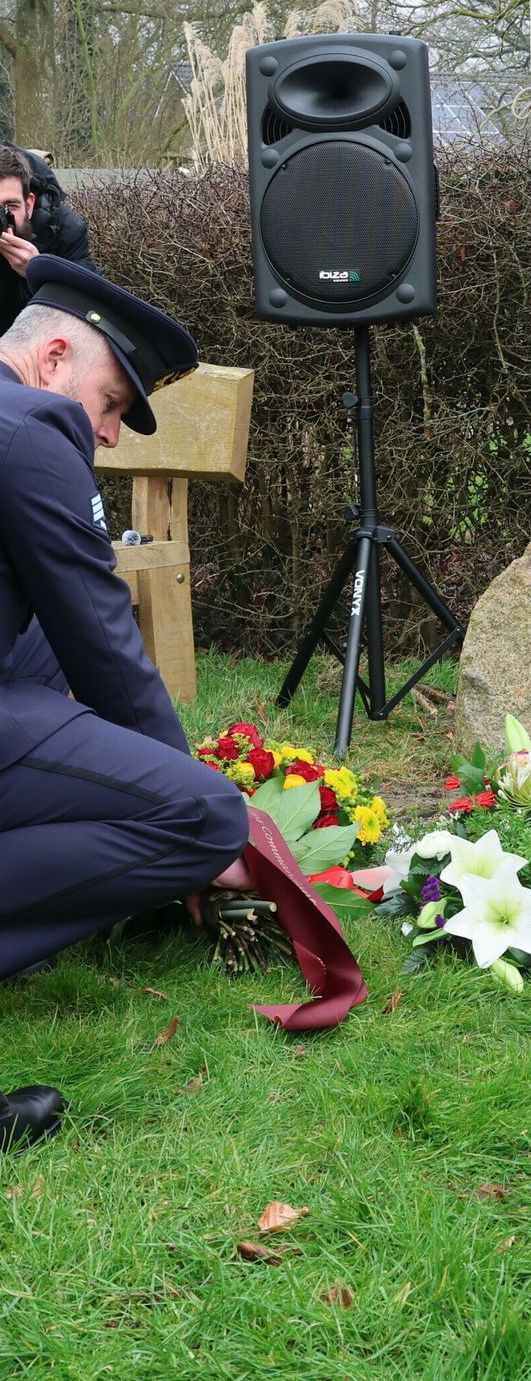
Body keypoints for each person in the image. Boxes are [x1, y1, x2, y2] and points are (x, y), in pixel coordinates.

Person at [0, 255, 252, 1151]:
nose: (109, 436)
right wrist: (197, 801)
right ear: (56, 354)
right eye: (110, 404)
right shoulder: (29, 428)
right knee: (204, 820)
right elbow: (102, 637)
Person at [0, 145, 97, 335]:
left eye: (9, 206)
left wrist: (40, 274)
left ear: (29, 204)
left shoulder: (64, 230)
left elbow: (94, 313)